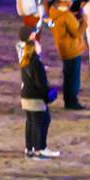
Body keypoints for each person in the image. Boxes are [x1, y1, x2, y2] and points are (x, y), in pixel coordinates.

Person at [18, 25, 59, 159]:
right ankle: (39, 149)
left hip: (25, 96)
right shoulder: (36, 63)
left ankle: (29, 149)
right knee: (42, 121)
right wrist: (48, 96)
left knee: (30, 122)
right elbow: (40, 84)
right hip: (35, 97)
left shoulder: (24, 61)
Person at [47, 0, 85, 110]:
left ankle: (68, 99)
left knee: (68, 76)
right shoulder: (67, 16)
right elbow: (77, 33)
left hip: (62, 47)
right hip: (72, 49)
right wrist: (85, 21)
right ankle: (72, 101)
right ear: (67, 1)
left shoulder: (53, 11)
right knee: (73, 78)